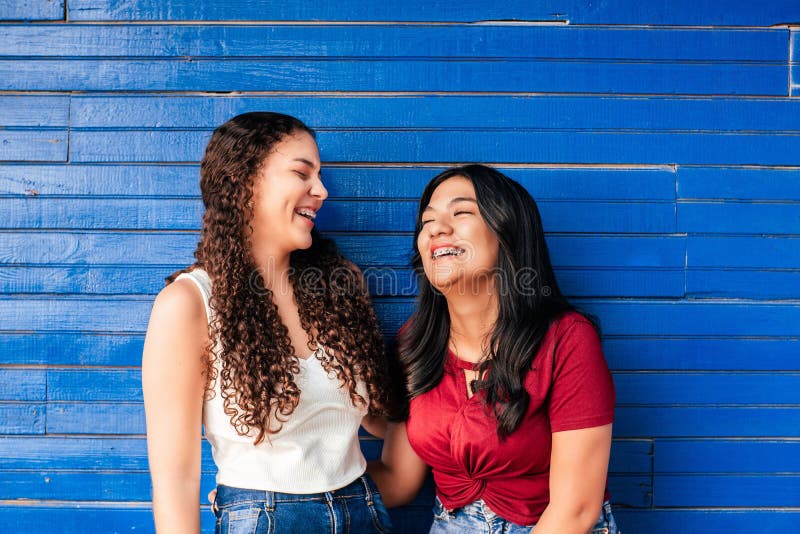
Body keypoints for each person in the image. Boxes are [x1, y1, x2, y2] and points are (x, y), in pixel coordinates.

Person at [142, 112, 393, 534]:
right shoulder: (189, 304)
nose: (321, 191)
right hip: (264, 519)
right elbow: (174, 483)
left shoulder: (340, 286)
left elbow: (381, 419)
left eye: (319, 176)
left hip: (363, 510)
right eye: (302, 173)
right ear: (243, 182)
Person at [368, 164, 619, 533]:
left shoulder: (567, 339)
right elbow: (399, 480)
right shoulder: (414, 343)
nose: (436, 229)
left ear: (507, 232)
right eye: (427, 221)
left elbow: (576, 510)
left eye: (461, 212)